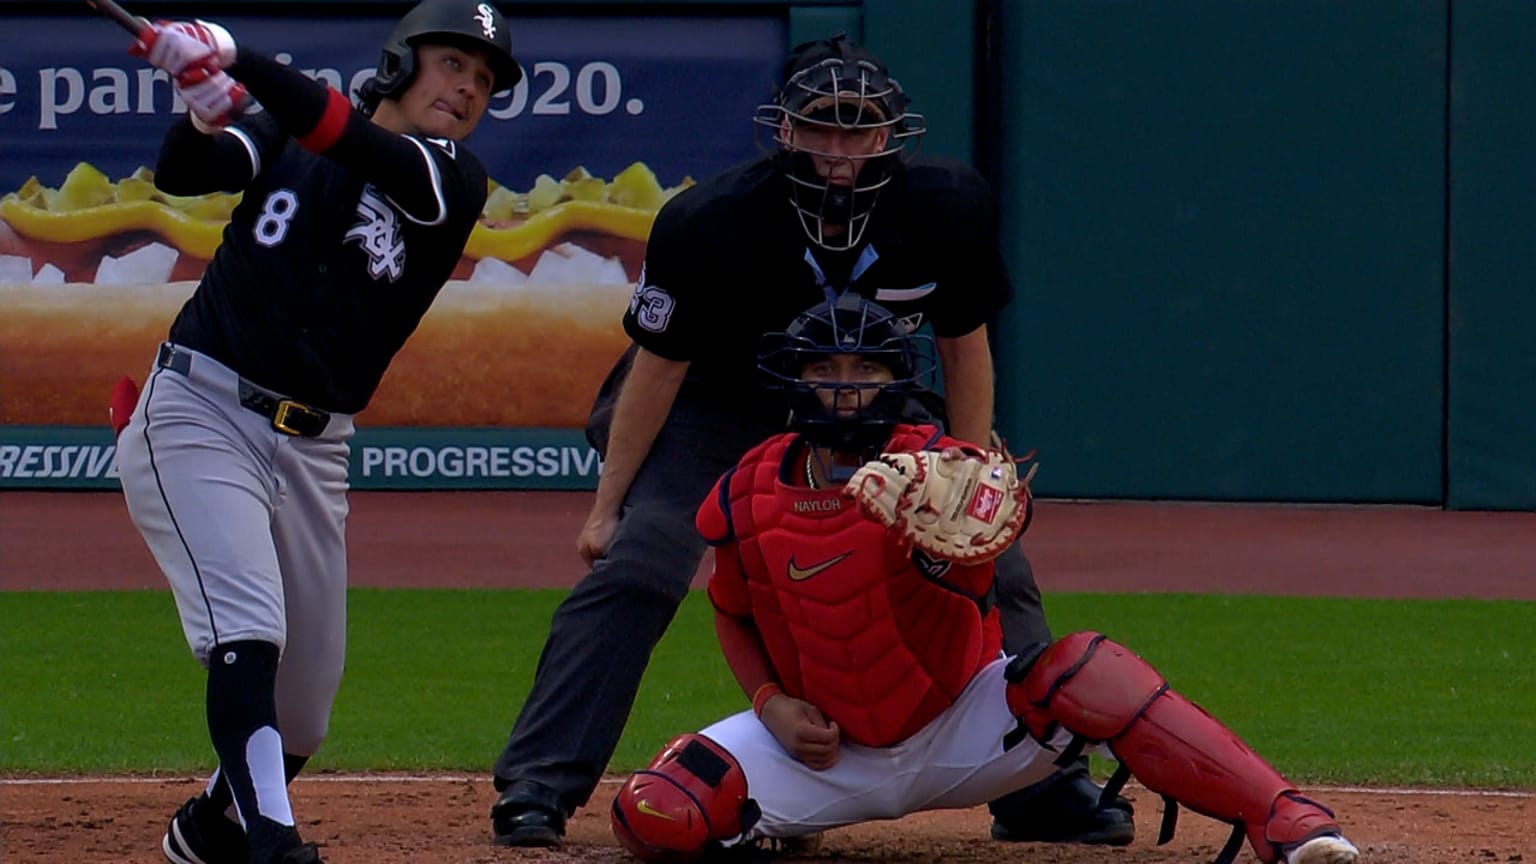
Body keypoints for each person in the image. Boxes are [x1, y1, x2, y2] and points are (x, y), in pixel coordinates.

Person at [489, 32, 1132, 848]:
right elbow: (656, 370)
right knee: (642, 562)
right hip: (718, 407)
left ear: (890, 134)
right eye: (820, 127)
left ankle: (1040, 785)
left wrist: (971, 477)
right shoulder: (707, 220)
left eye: (857, 129)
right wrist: (606, 508)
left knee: (996, 563)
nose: (839, 149)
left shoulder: (946, 204)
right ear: (783, 129)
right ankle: (540, 783)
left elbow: (965, 346)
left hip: (873, 408)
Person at [608, 295, 1361, 864]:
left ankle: (1286, 819)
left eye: (865, 370)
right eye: (825, 369)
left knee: (1084, 666)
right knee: (654, 812)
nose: (844, 387)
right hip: (823, 750)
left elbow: (986, 541)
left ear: (895, 379)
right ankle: (783, 827)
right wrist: (769, 705)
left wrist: (946, 525)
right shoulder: (747, 488)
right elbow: (733, 614)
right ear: (793, 379)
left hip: (965, 729)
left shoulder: (937, 468)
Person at [112, 3, 519, 863]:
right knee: (248, 630)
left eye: (483, 80)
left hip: (316, 444)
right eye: (453, 64)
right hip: (200, 406)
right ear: (402, 64)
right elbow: (186, 173)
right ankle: (273, 840)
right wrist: (199, 100)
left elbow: (348, 139)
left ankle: (206, 830)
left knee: (304, 710)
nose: (468, 88)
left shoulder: (452, 175)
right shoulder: (288, 133)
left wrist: (233, 54)